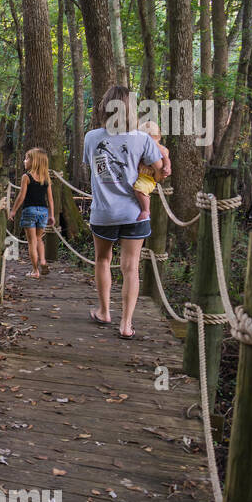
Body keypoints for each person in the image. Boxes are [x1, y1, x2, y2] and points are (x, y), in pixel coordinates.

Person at [84, 85, 166, 340]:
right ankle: (126, 324)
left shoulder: (92, 137)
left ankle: (104, 311)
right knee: (131, 268)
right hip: (135, 213)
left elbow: (91, 166)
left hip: (104, 212)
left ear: (104, 108)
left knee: (103, 260)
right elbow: (161, 170)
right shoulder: (142, 139)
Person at [9, 148, 55, 279]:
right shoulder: (46, 178)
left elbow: (21, 196)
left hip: (29, 210)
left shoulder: (26, 177)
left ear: (34, 162)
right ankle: (43, 261)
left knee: (31, 242)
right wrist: (51, 215)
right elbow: (50, 199)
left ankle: (35, 271)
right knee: (39, 238)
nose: (24, 161)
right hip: (43, 211)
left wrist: (13, 211)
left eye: (27, 158)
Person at [131, 120, 172, 222]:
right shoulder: (140, 147)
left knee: (139, 189)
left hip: (148, 178)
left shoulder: (160, 148)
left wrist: (167, 167)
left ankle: (146, 210)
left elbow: (166, 159)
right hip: (139, 174)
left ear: (157, 137)